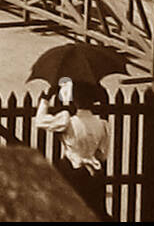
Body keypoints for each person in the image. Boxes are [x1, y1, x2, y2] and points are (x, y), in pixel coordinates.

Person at [35, 78, 109, 218]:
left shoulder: (67, 120)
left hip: (71, 168)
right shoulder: (101, 124)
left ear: (75, 99)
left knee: (68, 210)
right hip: (93, 172)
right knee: (92, 211)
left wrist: (45, 99)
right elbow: (102, 155)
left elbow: (40, 121)